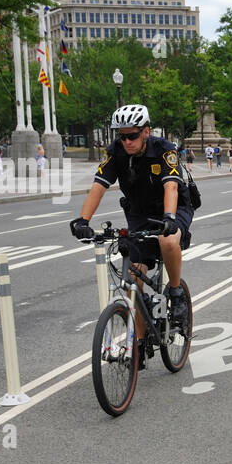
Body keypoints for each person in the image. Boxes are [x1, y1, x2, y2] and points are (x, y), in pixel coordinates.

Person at [69, 104, 192, 366]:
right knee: (134, 275)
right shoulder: (115, 154)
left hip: (173, 207)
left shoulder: (164, 150)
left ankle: (176, 293)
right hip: (139, 212)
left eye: (132, 136)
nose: (126, 141)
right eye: (121, 136)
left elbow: (171, 186)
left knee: (167, 239)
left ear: (146, 132)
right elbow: (98, 186)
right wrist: (83, 220)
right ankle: (139, 342)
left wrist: (169, 219)